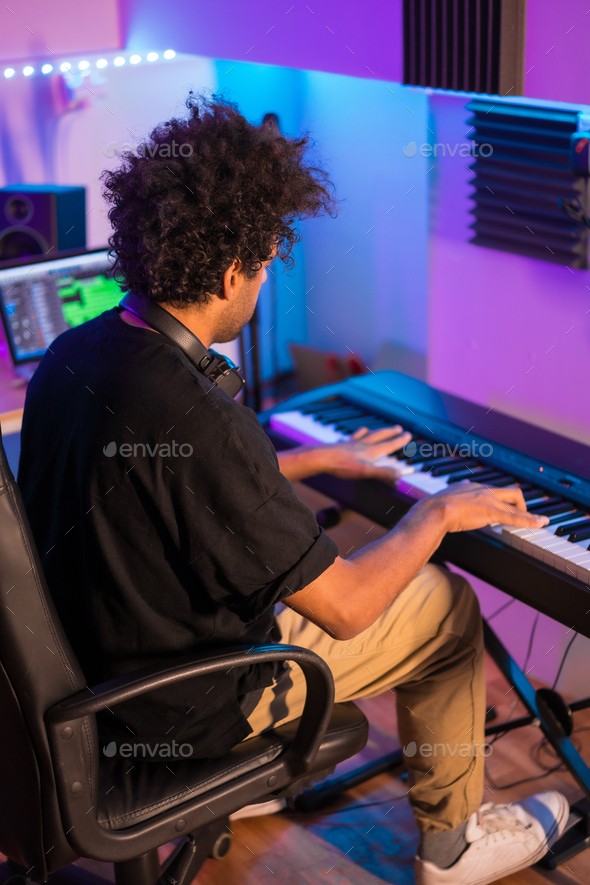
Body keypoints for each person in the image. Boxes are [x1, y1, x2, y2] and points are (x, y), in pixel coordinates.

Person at [17, 95, 568, 885]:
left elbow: (166, 490)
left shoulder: (72, 357)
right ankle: (452, 849)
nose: (267, 274)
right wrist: (436, 512)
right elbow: (346, 606)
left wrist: (308, 463)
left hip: (93, 675)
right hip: (187, 702)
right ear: (231, 273)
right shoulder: (202, 419)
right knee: (446, 604)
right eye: (266, 262)